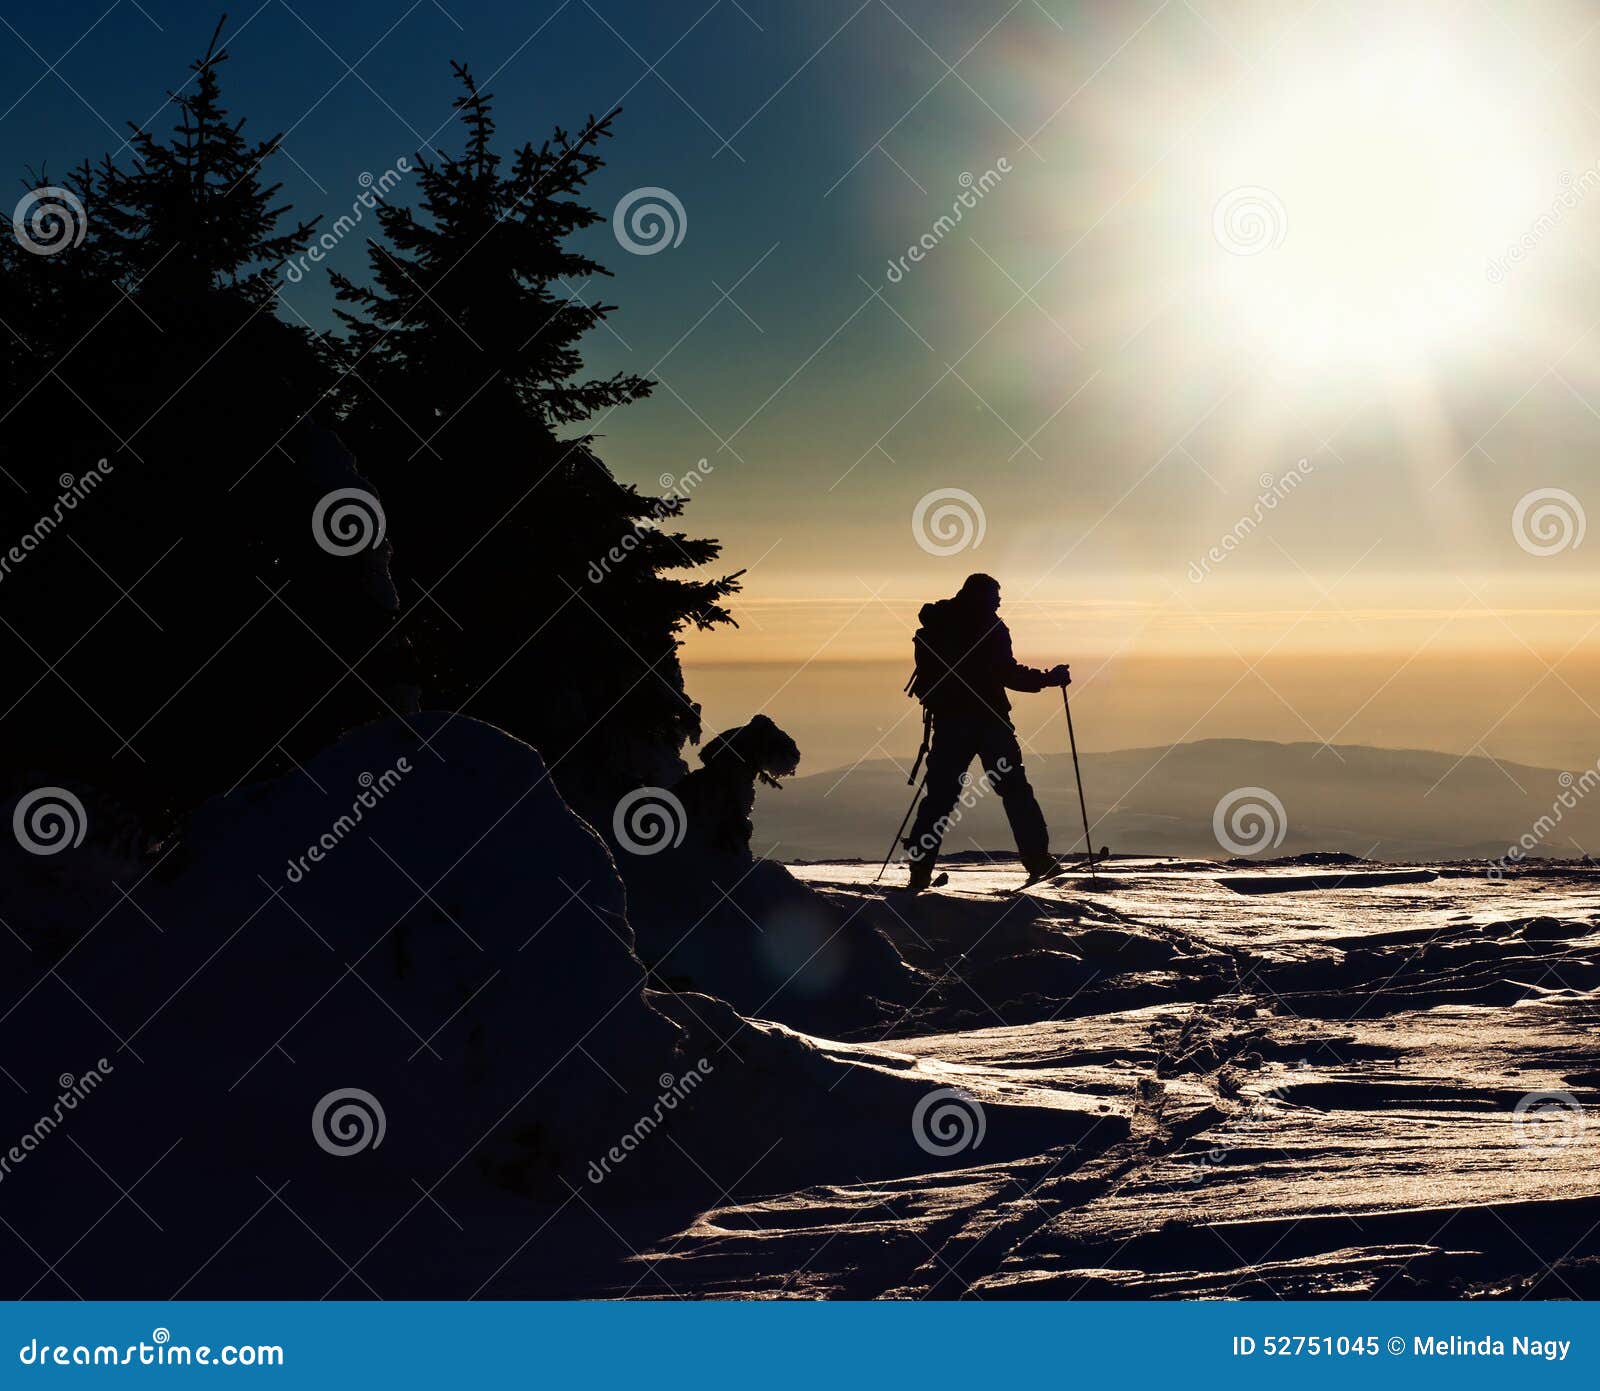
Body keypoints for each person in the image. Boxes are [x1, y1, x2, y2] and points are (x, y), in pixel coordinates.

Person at [901, 573, 1070, 892]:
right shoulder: (989, 627)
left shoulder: (939, 624)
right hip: (989, 721)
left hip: (949, 722)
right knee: (1014, 789)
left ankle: (920, 868)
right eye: (995, 595)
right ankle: (1037, 860)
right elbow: (1007, 672)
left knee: (940, 797)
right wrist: (1048, 679)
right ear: (982, 596)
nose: (999, 601)